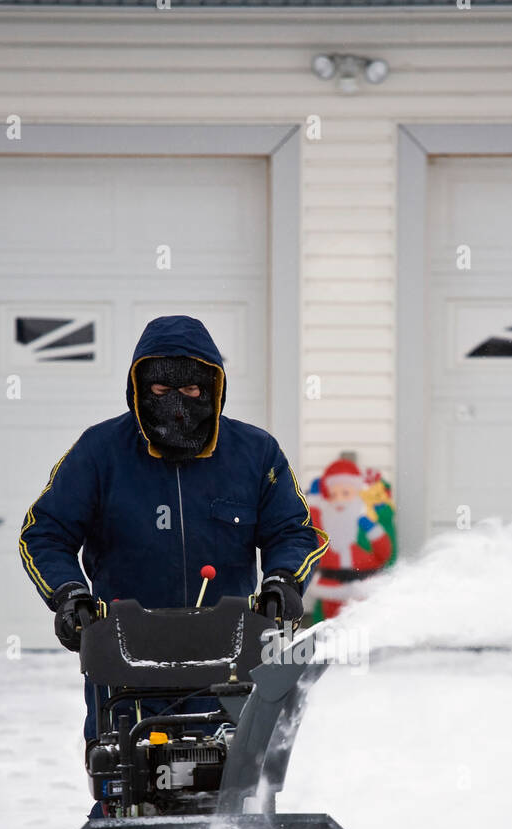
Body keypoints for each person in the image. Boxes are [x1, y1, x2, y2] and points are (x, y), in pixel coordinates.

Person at [19, 314, 328, 763]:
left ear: (212, 389)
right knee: (127, 773)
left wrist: (283, 581)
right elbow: (44, 532)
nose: (176, 405)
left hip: (230, 657)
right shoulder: (100, 452)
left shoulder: (255, 452)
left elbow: (293, 531)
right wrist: (69, 594)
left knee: (232, 778)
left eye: (190, 391)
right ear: (139, 391)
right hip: (125, 658)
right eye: (161, 393)